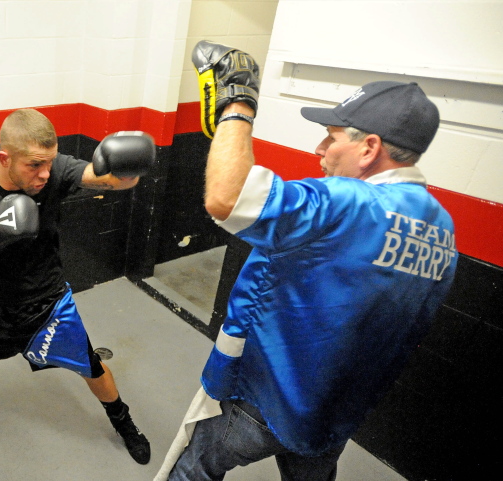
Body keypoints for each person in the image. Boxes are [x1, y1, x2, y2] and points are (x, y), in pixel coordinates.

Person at [154, 41, 458, 481]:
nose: (320, 148)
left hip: (260, 398)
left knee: (192, 470)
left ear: (369, 147)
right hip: (334, 414)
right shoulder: (441, 229)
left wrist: (237, 104)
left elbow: (227, 197)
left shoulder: (348, 203)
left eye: (331, 137)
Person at [0, 109, 157, 465]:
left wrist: (124, 168)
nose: (45, 174)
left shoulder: (53, 170)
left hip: (49, 303)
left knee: (91, 366)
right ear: (5, 157)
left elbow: (108, 180)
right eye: (34, 165)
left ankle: (125, 424)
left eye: (50, 162)